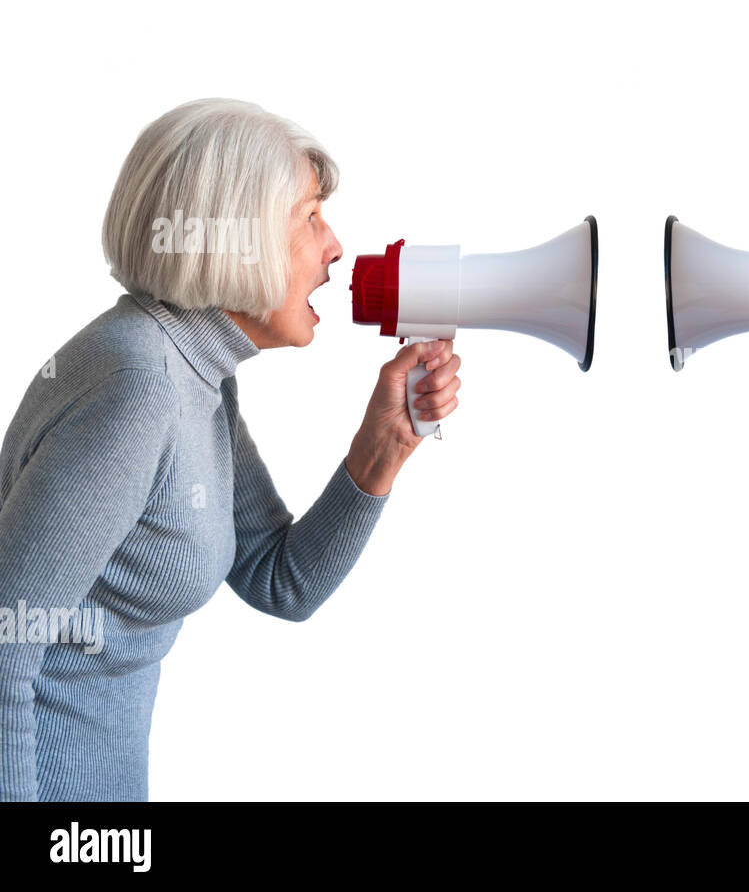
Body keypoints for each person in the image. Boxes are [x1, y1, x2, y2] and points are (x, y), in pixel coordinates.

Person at [0, 98, 460, 801]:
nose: (334, 244)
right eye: (309, 215)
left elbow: (281, 579)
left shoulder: (194, 372)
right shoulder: (139, 388)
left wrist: (384, 446)